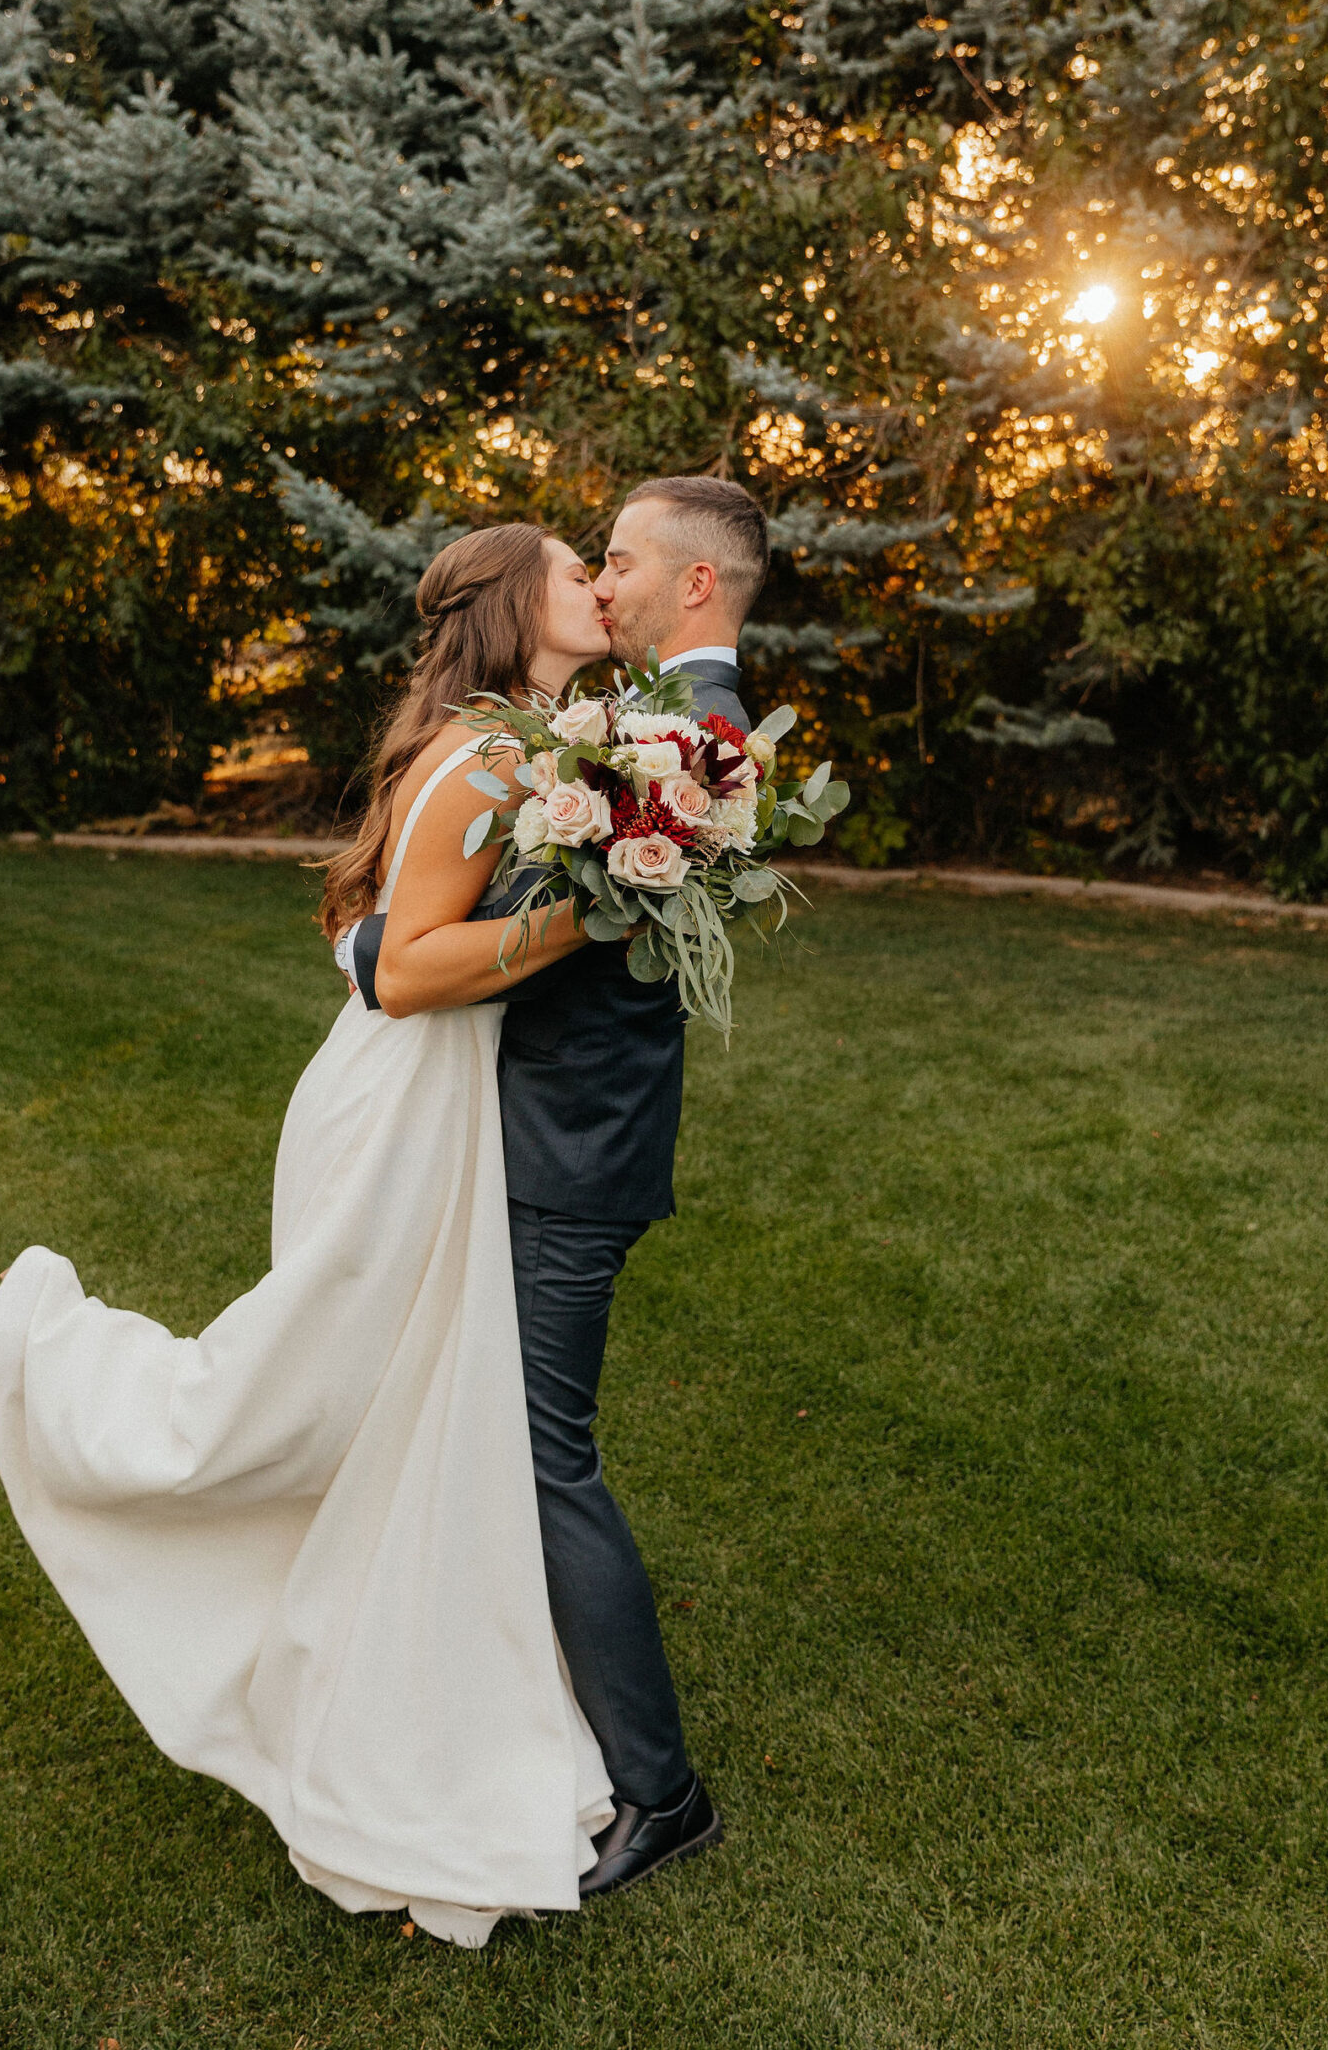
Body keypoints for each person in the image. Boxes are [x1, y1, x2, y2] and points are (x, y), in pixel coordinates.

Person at [0, 525, 630, 1948]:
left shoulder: (516, 741)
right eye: (569, 568)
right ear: (512, 605)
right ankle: (26, 1342)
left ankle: (405, 1694)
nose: (595, 583)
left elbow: (364, 928)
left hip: (420, 1104)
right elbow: (405, 970)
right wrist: (591, 918)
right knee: (295, 1398)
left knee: (401, 1416)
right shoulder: (489, 753)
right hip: (400, 1109)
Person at [345, 473, 769, 1900]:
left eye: (623, 560)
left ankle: (662, 1791)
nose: (604, 579)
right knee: (498, 1435)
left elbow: (545, 923)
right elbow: (505, 907)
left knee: (542, 1455)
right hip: (530, 1126)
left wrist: (378, 956)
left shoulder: (694, 741)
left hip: (567, 1146)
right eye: (587, 564)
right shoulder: (641, 722)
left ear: (693, 583)